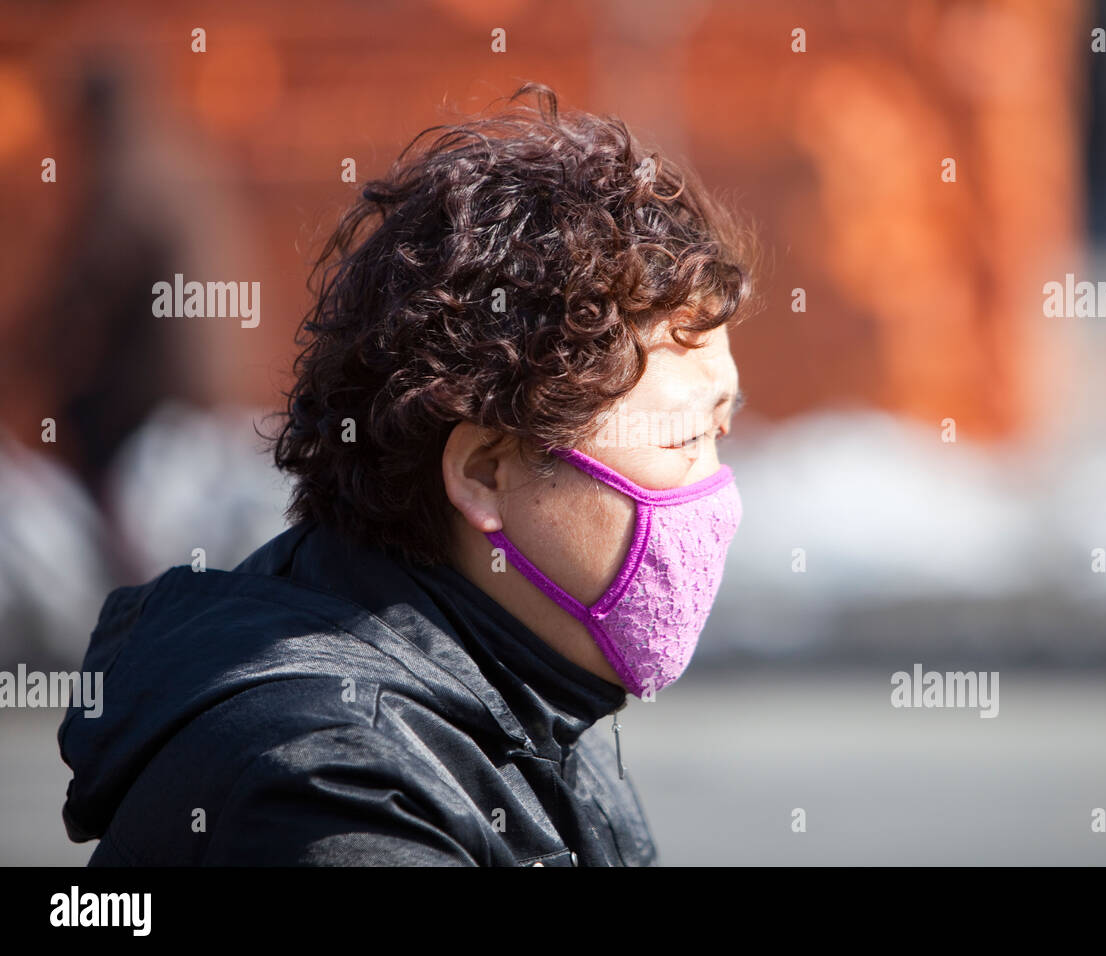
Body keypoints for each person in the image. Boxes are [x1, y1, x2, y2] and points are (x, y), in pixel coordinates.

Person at [57, 82, 761, 866]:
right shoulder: (334, 791)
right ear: (486, 473)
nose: (715, 499)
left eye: (720, 433)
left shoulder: (530, 699)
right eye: (684, 438)